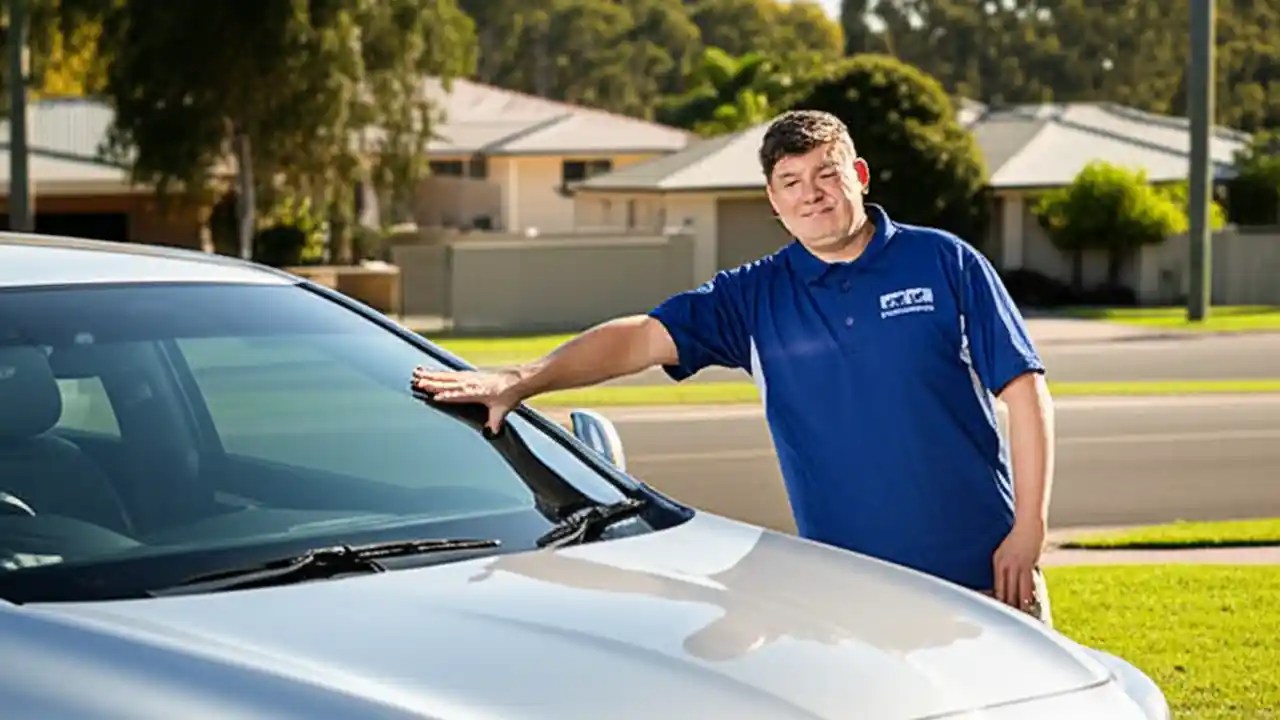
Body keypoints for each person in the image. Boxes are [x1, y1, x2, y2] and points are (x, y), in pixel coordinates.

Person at [411, 109, 1055, 623]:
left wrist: (1028, 530)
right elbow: (638, 339)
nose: (812, 194)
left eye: (826, 174)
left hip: (987, 576)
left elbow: (1025, 393)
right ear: (773, 201)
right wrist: (522, 380)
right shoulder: (753, 298)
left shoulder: (945, 261)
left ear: (858, 174)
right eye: (792, 183)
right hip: (853, 601)